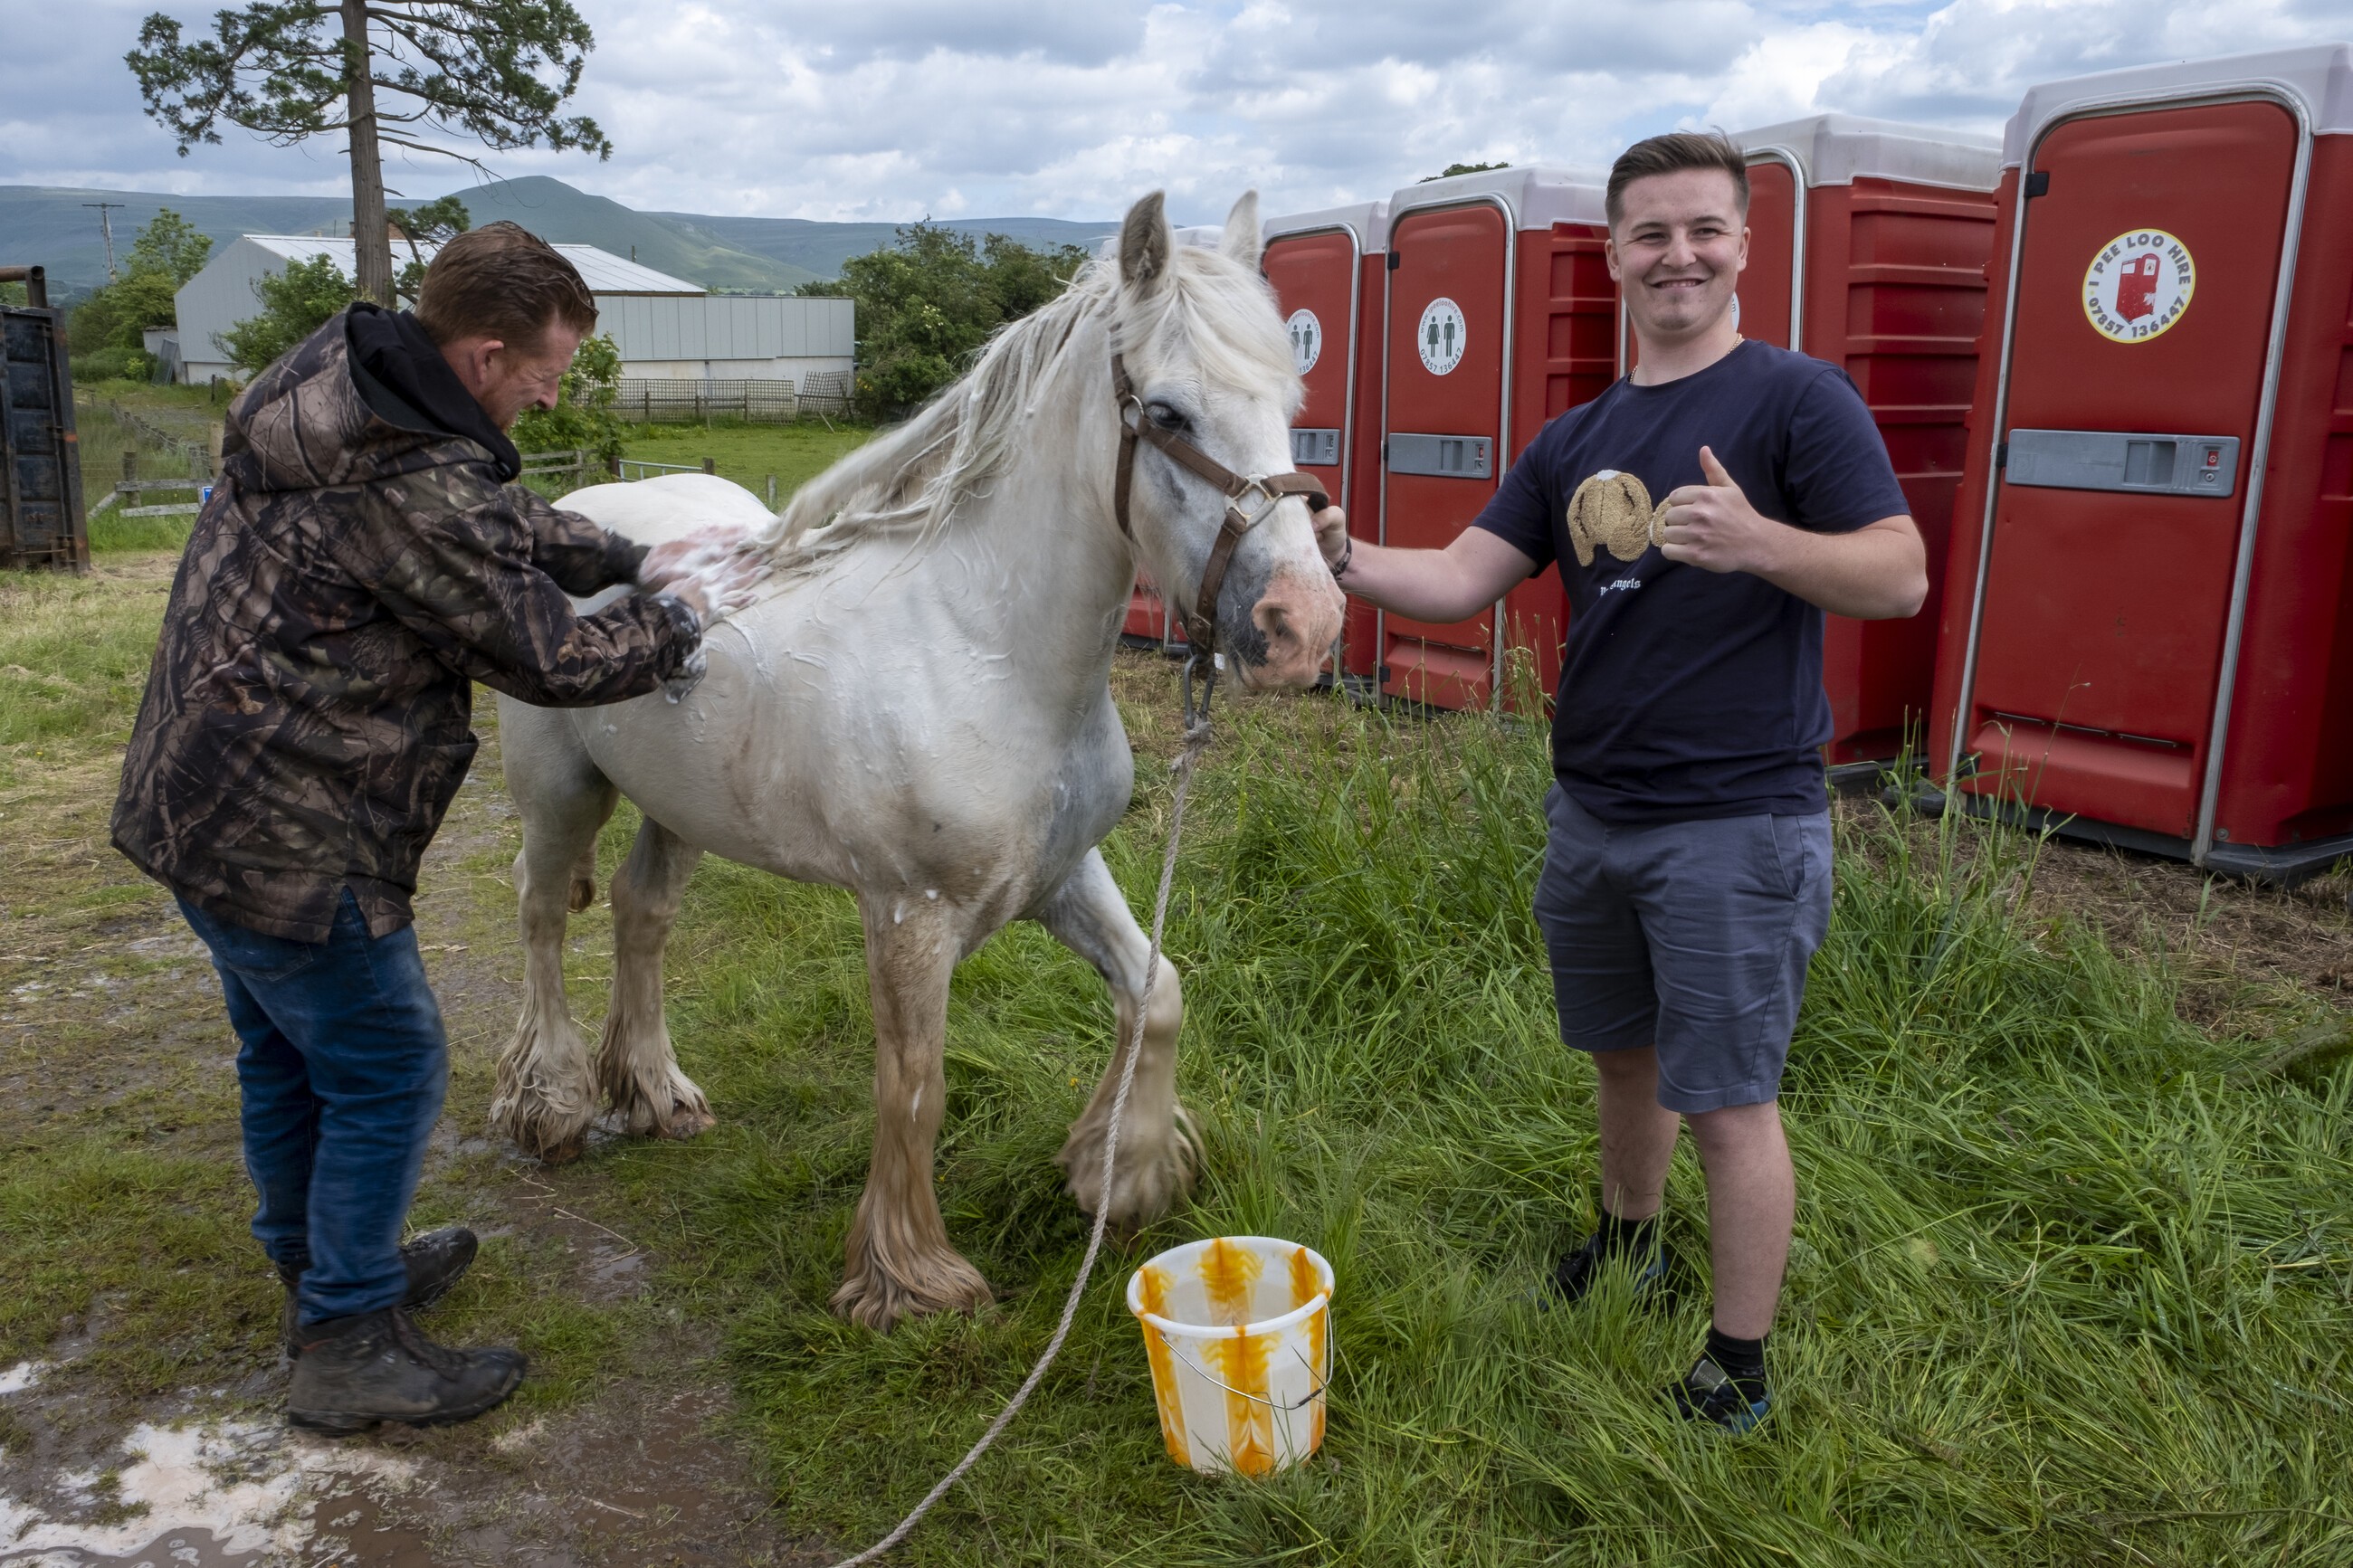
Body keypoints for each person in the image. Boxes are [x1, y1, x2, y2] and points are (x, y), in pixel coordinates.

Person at [1314, 133, 1926, 1431]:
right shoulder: (1577, 435)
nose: (1678, 255)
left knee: (1730, 1098)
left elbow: (1900, 572)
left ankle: (1739, 1360)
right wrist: (1343, 555)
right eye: (1650, 233)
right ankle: (1630, 1243)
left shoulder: (1797, 401)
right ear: (1614, 254)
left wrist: (1762, 542)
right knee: (1624, 1060)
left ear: (1744, 245)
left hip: (1735, 822)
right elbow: (1466, 576)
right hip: (1593, 813)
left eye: (1704, 228)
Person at [111, 222, 764, 1434]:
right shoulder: (406, 480)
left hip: (195, 794)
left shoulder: (345, 390)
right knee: (388, 1063)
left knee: (287, 1057)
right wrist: (683, 619)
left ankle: (320, 1268)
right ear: (478, 351)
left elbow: (496, 518)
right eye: (543, 372)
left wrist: (637, 550)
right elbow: (550, 652)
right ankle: (349, 1339)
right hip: (288, 826)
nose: (552, 390)